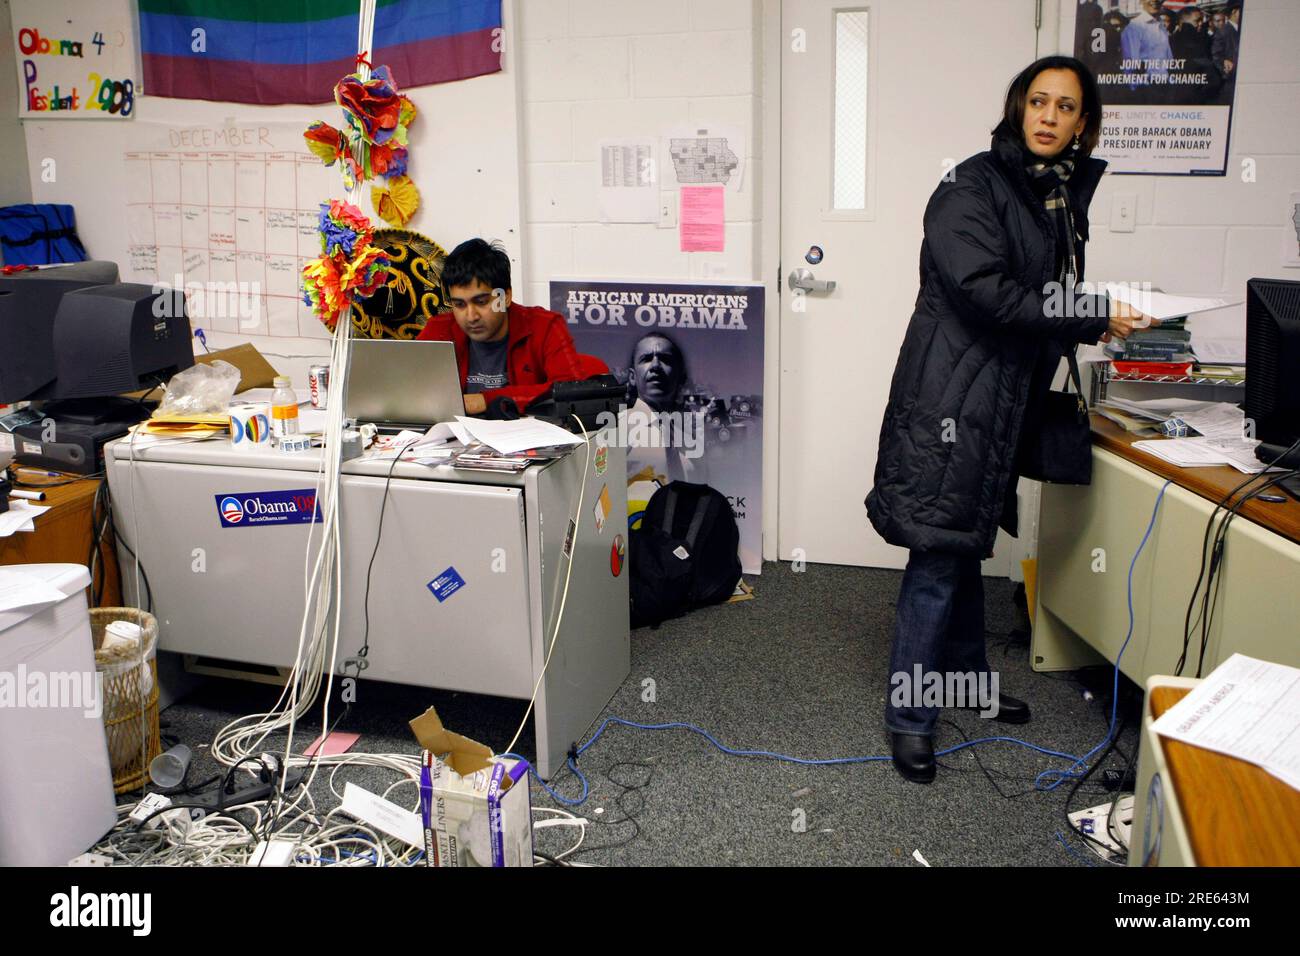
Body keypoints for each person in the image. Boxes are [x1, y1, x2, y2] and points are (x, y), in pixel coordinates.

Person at [864, 56, 1152, 785]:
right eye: (1039, 102)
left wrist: (1090, 322)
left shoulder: (1051, 193)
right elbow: (985, 291)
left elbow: (1041, 295)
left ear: (1083, 122)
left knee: (966, 545)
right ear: (1018, 107)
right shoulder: (972, 186)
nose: (1050, 116)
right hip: (952, 399)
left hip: (1000, 397)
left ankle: (961, 684)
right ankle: (909, 718)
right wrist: (1087, 315)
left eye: (1066, 107)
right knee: (937, 550)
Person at [416, 238, 586, 416]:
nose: (471, 316)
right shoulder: (439, 330)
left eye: (481, 302)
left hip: (524, 440)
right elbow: (411, 391)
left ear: (505, 296)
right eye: (459, 305)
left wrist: (487, 400)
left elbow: (573, 392)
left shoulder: (545, 326)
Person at [622, 331, 708, 483]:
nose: (655, 366)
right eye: (646, 359)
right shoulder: (615, 430)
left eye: (666, 360)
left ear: (680, 376)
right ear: (632, 377)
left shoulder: (692, 444)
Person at [1122, 0, 1174, 86]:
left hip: (1165, 86)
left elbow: (1169, 60)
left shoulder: (1161, 26)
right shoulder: (1134, 27)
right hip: (1146, 88)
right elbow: (1133, 65)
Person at [1211, 1, 1241, 104]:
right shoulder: (1224, 31)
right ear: (1234, 11)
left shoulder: (1240, 30)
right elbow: (1216, 55)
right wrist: (1224, 64)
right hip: (1230, 82)